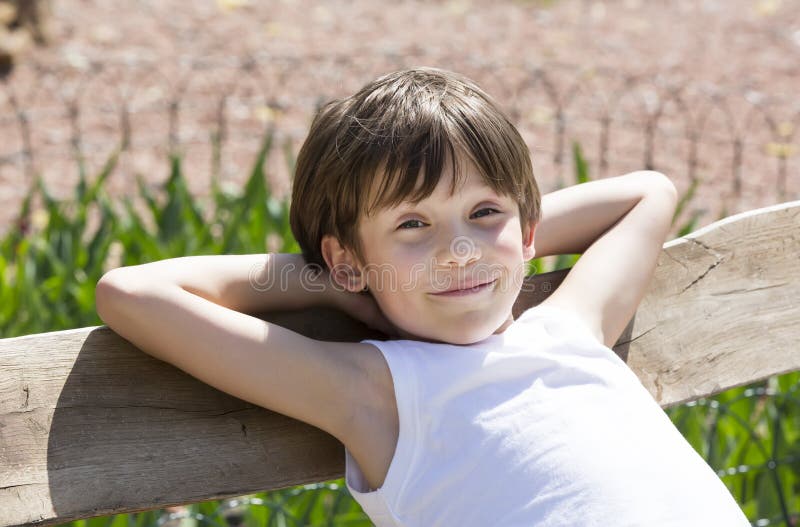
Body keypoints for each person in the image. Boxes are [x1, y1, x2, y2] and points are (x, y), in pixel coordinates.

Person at [95, 67, 750, 526]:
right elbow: (133, 292)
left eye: (482, 212)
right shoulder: (377, 394)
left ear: (527, 230)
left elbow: (649, 192)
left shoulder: (570, 327)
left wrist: (511, 237)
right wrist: (335, 280)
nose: (459, 250)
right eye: (414, 224)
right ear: (347, 258)